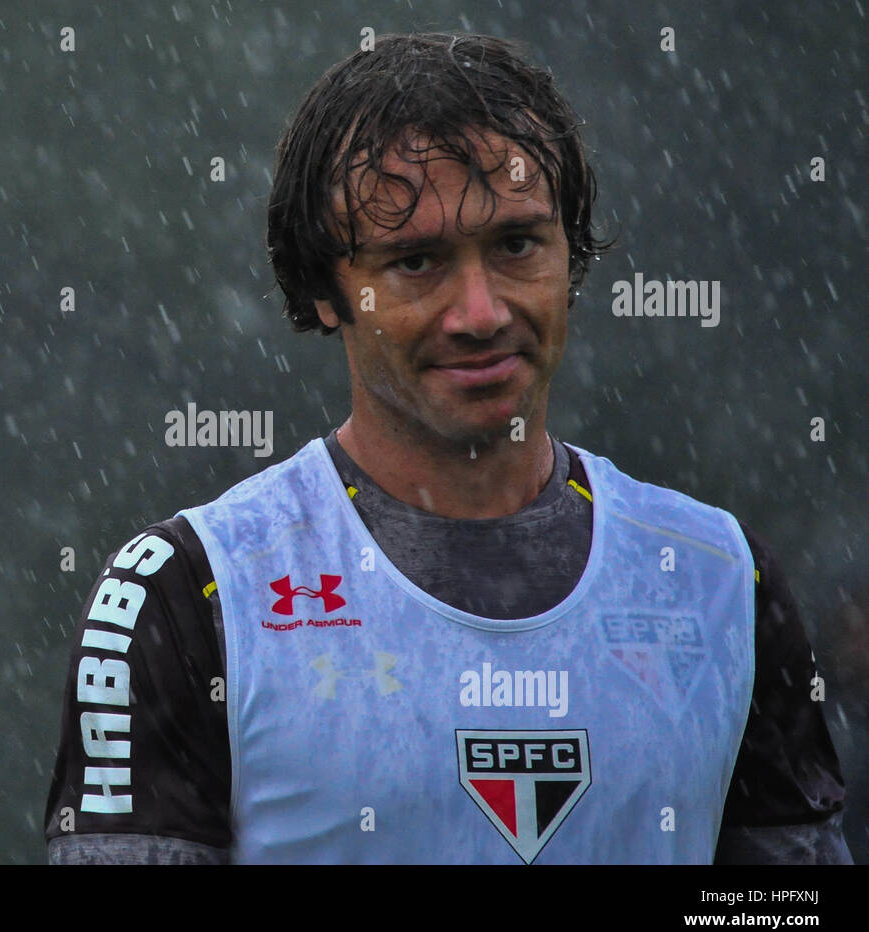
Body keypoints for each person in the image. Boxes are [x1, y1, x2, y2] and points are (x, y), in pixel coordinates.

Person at [44, 31, 852, 864]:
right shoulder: (186, 593)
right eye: (417, 261)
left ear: (569, 254)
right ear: (325, 290)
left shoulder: (720, 578)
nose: (481, 311)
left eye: (515, 245)